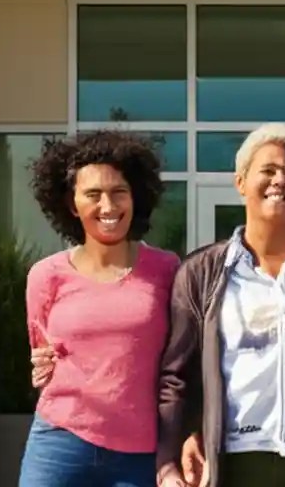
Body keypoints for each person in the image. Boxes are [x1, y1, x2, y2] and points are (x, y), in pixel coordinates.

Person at [156, 124, 285, 487]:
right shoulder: (201, 272)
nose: (279, 179)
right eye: (267, 170)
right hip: (236, 461)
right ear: (240, 182)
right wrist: (173, 451)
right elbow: (177, 374)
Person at [19, 130, 182, 487]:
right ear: (72, 203)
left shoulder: (167, 270)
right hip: (59, 444)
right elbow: (42, 354)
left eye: (118, 192)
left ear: (136, 198)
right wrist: (40, 367)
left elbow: (182, 359)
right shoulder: (46, 276)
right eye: (93, 194)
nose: (108, 207)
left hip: (138, 453)